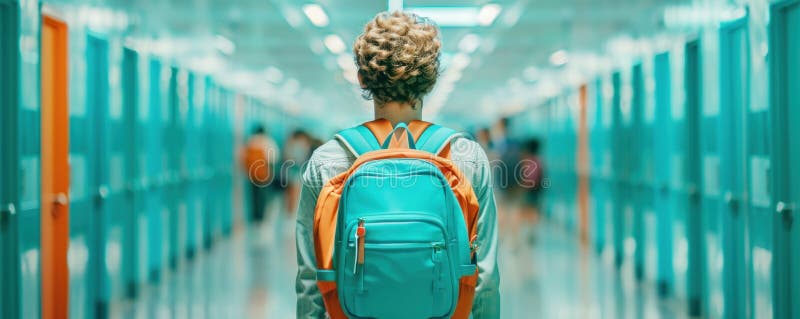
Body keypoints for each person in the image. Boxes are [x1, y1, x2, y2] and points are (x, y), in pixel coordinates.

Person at [295, 11, 500, 318]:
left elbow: (311, 278)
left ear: (363, 78)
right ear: (430, 79)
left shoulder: (328, 160)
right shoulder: (465, 157)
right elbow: (484, 278)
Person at [240, 125, 278, 223]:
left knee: (254, 194)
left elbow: (243, 157)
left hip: (252, 173)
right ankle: (261, 216)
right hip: (264, 172)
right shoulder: (268, 141)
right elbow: (274, 158)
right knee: (263, 194)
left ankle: (255, 215)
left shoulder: (250, 141)